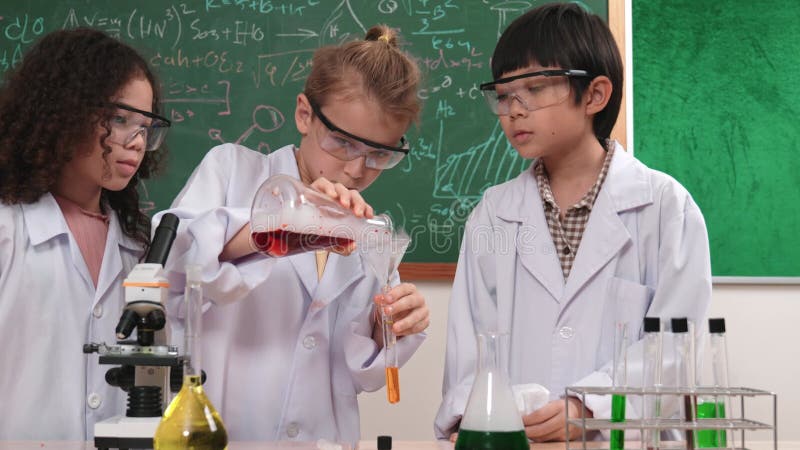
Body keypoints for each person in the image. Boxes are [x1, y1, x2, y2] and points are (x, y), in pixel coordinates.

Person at [435, 3, 711, 443]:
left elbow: (674, 348)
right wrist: (481, 416)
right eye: (504, 95)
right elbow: (468, 349)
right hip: (517, 441)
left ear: (596, 95)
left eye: (535, 88)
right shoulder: (493, 213)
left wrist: (589, 405)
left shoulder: (664, 208)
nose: (514, 110)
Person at [154, 25, 430, 444]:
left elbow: (361, 375)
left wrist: (388, 327)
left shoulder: (369, 233)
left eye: (380, 154)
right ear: (305, 114)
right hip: (226, 433)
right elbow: (174, 269)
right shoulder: (232, 171)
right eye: (343, 143)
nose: (357, 170)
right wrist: (292, 214)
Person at [0, 28, 170, 439]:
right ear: (65, 111)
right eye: (119, 119)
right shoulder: (9, 229)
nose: (137, 141)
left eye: (146, 126)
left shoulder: (136, 247)